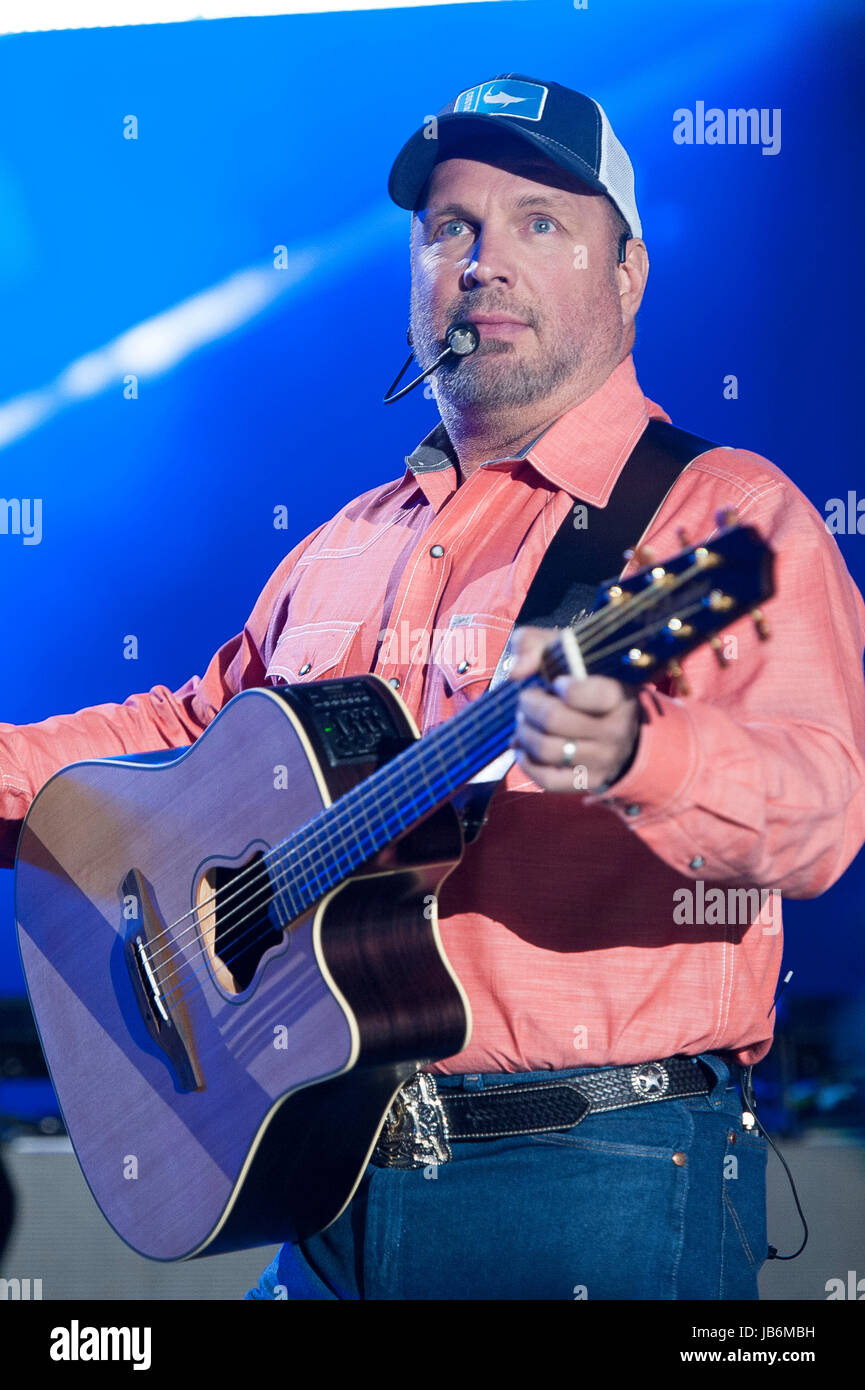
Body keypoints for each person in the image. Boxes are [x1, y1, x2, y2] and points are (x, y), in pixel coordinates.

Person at [3, 74, 865, 1300]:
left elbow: (824, 811)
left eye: (540, 223)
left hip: (591, 1177)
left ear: (627, 276)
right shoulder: (344, 541)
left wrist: (637, 753)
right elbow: (182, 739)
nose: (481, 262)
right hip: (326, 1167)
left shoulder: (726, 512)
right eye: (449, 227)